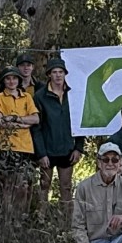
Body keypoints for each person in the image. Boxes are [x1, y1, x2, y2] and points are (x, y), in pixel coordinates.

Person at [34, 58, 84, 216]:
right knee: (44, 185)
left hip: (67, 149)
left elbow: (80, 122)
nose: (58, 75)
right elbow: (36, 128)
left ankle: (67, 220)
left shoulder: (73, 94)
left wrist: (78, 147)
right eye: (54, 72)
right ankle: (41, 218)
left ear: (65, 74)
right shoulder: (40, 96)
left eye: (61, 72)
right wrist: (41, 153)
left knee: (66, 186)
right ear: (49, 75)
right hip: (48, 149)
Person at [0, 66, 39, 218]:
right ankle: (5, 219)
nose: (11, 81)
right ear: (3, 81)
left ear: (19, 80)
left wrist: (15, 118)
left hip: (24, 147)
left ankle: (18, 219)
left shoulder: (27, 97)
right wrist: (24, 124)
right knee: (6, 185)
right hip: (4, 146)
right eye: (8, 78)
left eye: (15, 78)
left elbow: (35, 119)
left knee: (22, 186)